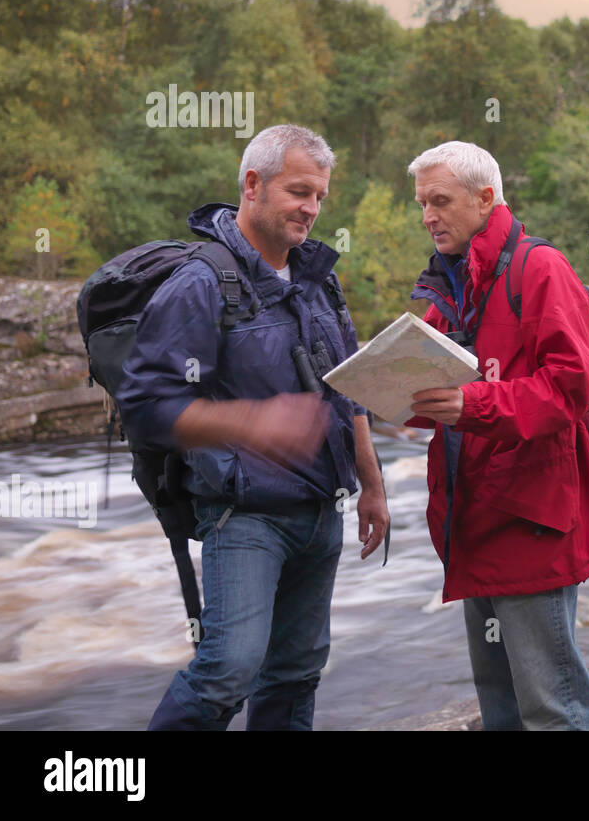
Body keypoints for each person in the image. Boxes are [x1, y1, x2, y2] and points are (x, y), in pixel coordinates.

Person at [115, 123, 389, 730]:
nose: (312, 209)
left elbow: (350, 389)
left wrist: (372, 485)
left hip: (324, 512)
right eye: (299, 192)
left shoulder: (320, 279)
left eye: (319, 196)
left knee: (294, 675)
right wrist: (251, 422)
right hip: (244, 517)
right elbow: (143, 403)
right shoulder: (200, 282)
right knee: (227, 672)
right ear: (252, 184)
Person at [405, 140, 589, 730]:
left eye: (440, 201)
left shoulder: (539, 268)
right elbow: (434, 389)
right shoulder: (449, 285)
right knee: (499, 708)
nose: (428, 216)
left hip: (532, 518)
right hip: (471, 517)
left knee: (551, 708)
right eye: (422, 204)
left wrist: (470, 404)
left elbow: (574, 388)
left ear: (485, 197)